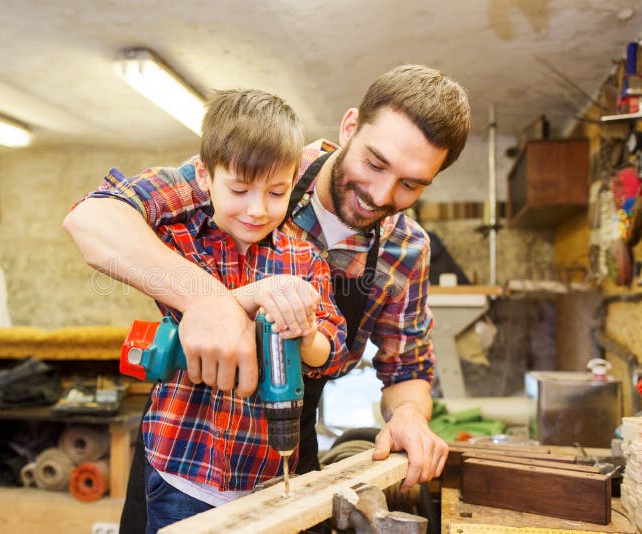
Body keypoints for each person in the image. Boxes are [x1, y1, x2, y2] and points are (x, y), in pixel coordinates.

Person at [64, 64, 471, 532]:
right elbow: (94, 220)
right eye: (375, 164)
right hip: (184, 444)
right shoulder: (261, 161)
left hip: (282, 445)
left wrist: (409, 416)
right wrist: (212, 302)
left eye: (411, 184)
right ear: (350, 127)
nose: (380, 194)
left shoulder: (407, 249)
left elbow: (408, 370)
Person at [105, 88, 350, 531]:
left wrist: (307, 333)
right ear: (204, 175)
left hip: (269, 478)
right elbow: (109, 216)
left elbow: (333, 354)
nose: (257, 210)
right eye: (239, 189)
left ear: (294, 181)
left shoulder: (304, 260)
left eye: (276, 192)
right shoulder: (178, 242)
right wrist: (246, 297)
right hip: (183, 471)